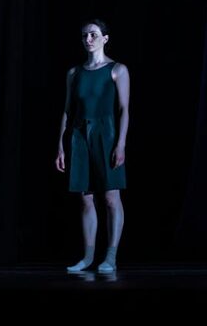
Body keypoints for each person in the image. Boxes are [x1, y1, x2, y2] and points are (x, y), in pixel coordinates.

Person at [55, 19, 129, 273]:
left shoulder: (117, 69)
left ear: (105, 38)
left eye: (94, 34)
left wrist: (120, 144)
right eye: (85, 35)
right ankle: (87, 257)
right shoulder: (74, 73)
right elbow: (67, 110)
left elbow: (124, 109)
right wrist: (61, 146)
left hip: (106, 133)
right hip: (78, 134)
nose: (88, 39)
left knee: (110, 197)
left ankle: (110, 256)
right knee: (85, 199)